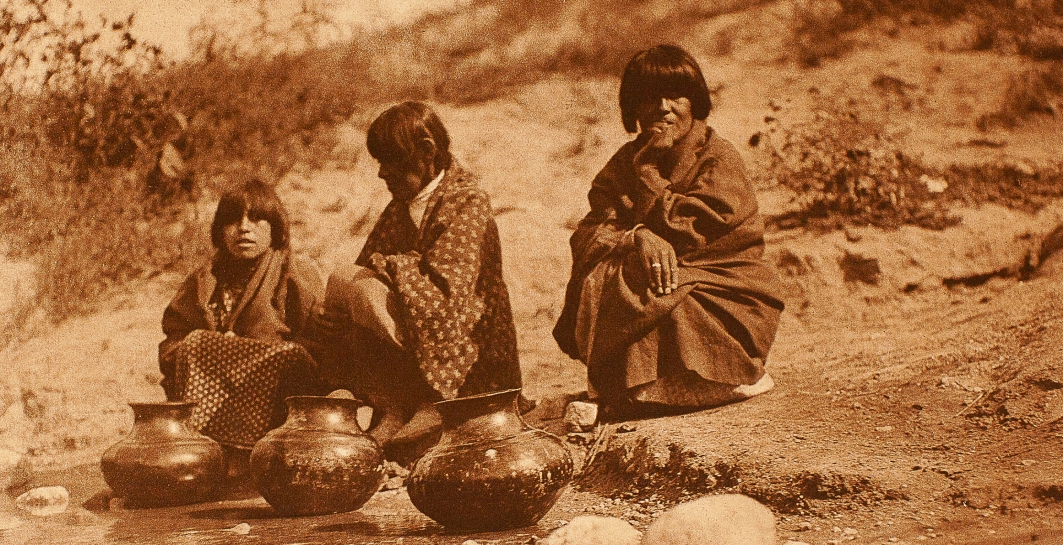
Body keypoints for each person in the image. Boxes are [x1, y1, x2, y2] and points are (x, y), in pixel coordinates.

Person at [553, 45, 785, 420]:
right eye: (648, 97)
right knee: (602, 274)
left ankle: (718, 379)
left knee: (645, 283)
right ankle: (639, 389)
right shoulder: (622, 162)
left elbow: (691, 235)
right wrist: (637, 236)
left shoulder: (718, 158)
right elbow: (590, 231)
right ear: (633, 110)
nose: (663, 106)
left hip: (723, 290)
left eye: (675, 94)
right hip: (665, 283)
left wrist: (646, 175)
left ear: (694, 101)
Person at [303, 101, 522, 462]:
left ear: (426, 153)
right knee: (344, 283)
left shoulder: (467, 200)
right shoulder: (401, 206)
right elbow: (368, 267)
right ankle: (392, 406)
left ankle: (437, 401)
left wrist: (383, 271)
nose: (382, 174)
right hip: (423, 334)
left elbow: (449, 290)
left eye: (391, 161)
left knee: (361, 285)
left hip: (470, 349)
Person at [158, 177, 324, 476]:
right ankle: (211, 454)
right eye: (233, 220)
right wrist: (208, 349)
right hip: (208, 398)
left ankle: (254, 456)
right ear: (220, 231)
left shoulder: (296, 274)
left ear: (275, 229)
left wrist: (252, 354)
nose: (244, 227)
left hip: (277, 403)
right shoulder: (203, 280)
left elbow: (319, 346)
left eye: (257, 218)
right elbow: (173, 340)